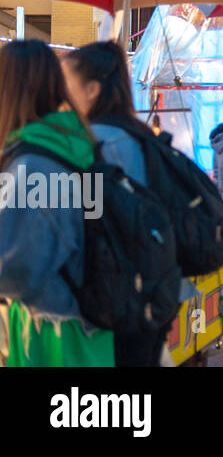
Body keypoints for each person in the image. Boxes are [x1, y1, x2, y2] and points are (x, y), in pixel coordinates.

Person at [63, 41, 188, 367]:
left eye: (68, 83)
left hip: (120, 295)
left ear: (91, 89)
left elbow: (88, 221)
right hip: (157, 288)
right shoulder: (141, 136)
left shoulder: (96, 145)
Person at [0, 40, 114, 366]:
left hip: (52, 334)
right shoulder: (80, 146)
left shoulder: (33, 164)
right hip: (93, 329)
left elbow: (14, 268)